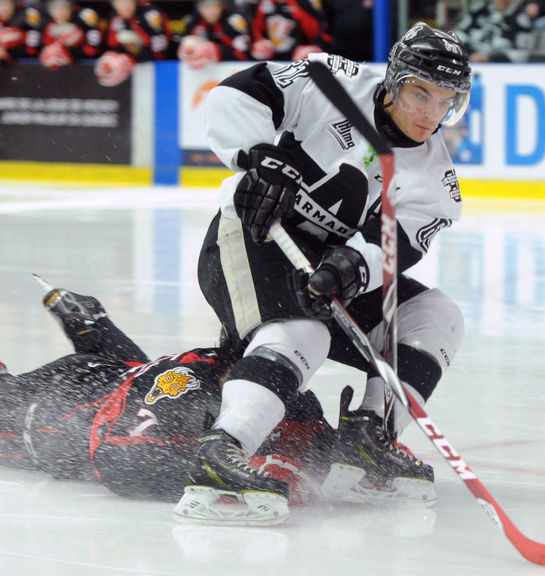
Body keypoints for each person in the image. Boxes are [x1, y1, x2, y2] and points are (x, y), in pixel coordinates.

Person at [174, 21, 470, 526]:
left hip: (327, 269)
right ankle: (222, 452)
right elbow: (233, 96)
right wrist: (256, 155)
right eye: (421, 93)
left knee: (436, 314)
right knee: (302, 332)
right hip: (252, 238)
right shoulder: (329, 81)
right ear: (395, 80)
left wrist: (354, 265)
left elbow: (390, 248)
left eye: (446, 101)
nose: (431, 113)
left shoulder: (436, 182)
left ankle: (368, 438)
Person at [0, 278, 334, 505]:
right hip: (52, 402)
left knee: (132, 373)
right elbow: (115, 458)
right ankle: (91, 327)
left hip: (117, 372)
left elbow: (322, 448)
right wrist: (212, 477)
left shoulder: (287, 390)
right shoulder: (184, 387)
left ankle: (90, 323)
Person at [95, 0, 172, 87]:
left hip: (164, 63)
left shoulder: (150, 14)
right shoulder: (115, 17)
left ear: (135, 2)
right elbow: (112, 46)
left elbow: (160, 52)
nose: (124, 7)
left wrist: (133, 60)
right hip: (137, 63)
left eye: (127, 2)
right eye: (119, 3)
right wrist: (115, 58)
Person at [177, 0, 251, 68]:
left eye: (215, 7)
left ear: (221, 7)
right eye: (207, 7)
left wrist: (216, 51)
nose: (211, 11)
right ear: (200, 9)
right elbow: (182, 45)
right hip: (201, 70)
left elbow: (243, 54)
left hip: (232, 67)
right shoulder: (193, 20)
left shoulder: (234, 20)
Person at [249, 0, 332, 61]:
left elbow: (321, 33)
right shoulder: (262, 4)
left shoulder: (303, 4)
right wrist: (260, 42)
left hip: (300, 55)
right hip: (273, 57)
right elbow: (256, 30)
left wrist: (313, 48)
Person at [37, 0, 103, 69]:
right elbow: (45, 46)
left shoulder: (79, 27)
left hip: (77, 65)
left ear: (71, 9)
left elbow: (90, 50)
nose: (61, 12)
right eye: (56, 9)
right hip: (53, 67)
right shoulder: (49, 27)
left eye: (64, 8)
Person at [0, 0, 43, 66]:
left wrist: (24, 38)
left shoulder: (23, 19)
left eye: (8, 5)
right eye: (2, 4)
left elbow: (33, 50)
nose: (5, 8)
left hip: (19, 64)